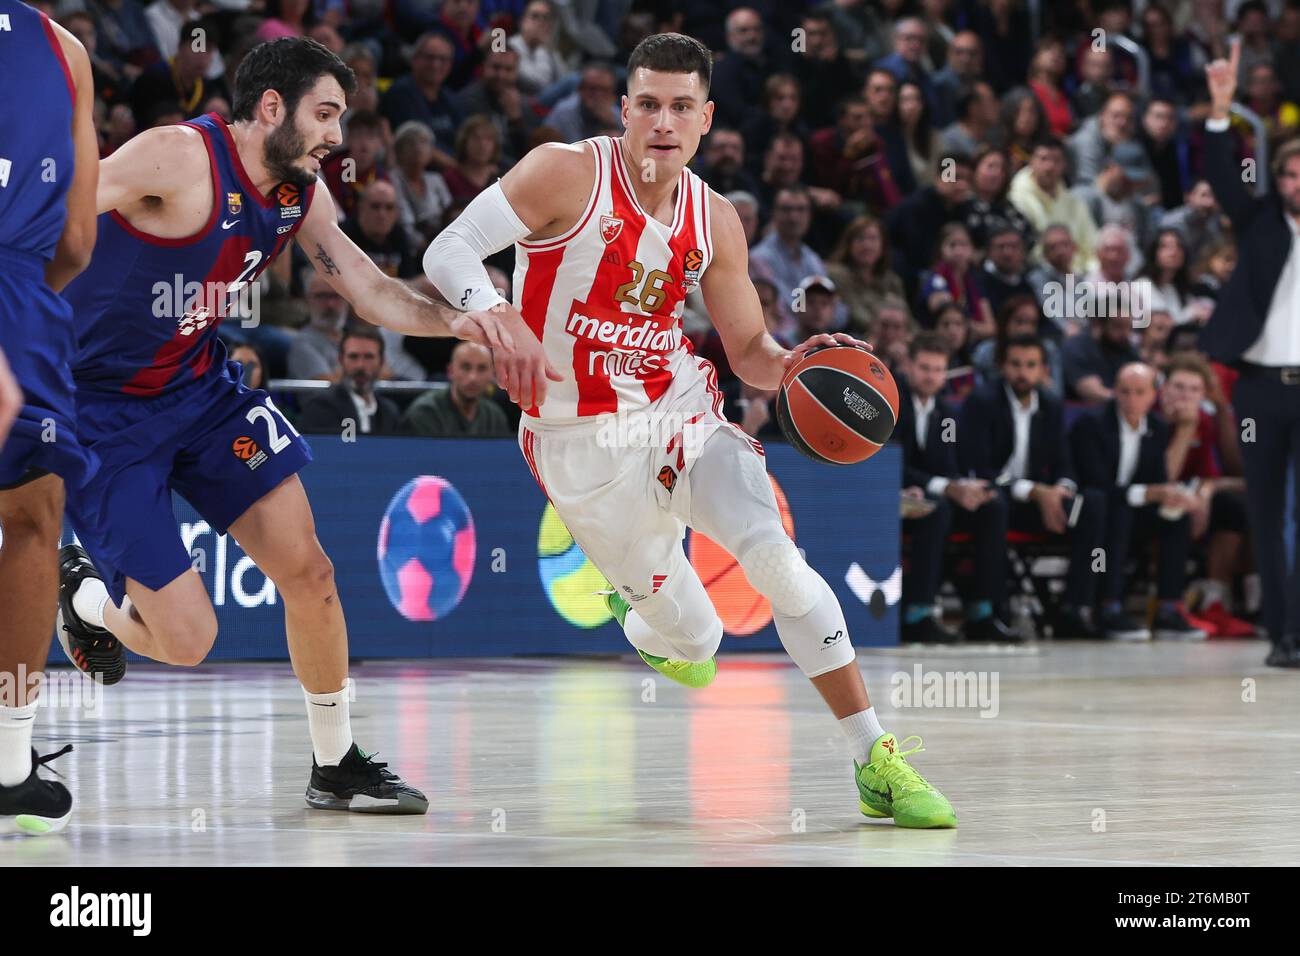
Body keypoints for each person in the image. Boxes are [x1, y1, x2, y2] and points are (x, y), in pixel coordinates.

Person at [423, 32, 957, 828]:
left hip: (677, 408)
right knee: (699, 644)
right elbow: (448, 248)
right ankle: (638, 608)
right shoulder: (564, 172)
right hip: (578, 443)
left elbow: (748, 352)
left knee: (778, 563)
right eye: (647, 104)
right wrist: (494, 312)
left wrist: (801, 365)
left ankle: (873, 757)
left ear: (706, 119)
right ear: (623, 109)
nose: (662, 122)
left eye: (680, 107)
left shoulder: (718, 220)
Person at [54, 37, 555, 814]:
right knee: (188, 641)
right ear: (270, 108)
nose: (336, 136)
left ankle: (335, 764)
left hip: (201, 390)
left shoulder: (299, 195)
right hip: (102, 413)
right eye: (325, 115)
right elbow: (53, 206)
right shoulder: (177, 158)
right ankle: (84, 598)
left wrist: (463, 323)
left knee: (311, 572)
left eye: (342, 119)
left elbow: (371, 290)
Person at [0, 0, 98, 836]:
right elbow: (76, 240)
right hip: (21, 292)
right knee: (33, 517)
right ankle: (6, 759)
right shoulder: (63, 49)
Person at [1199, 37, 1300, 667]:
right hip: (1261, 384)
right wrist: (1221, 110)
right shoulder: (1260, 218)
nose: (1296, 181)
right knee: (1264, 510)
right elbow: (1219, 175)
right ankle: (1283, 633)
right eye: (1289, 172)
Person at [1069, 363, 1206, 641]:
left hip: (1132, 510)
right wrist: (1146, 494)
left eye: (1139, 392)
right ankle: (1109, 607)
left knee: (1176, 515)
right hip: (1093, 512)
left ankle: (1169, 608)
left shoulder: (1157, 427)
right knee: (1119, 511)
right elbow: (1093, 483)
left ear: (1153, 395)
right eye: (1125, 391)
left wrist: (1172, 495)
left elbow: (1159, 478)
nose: (1131, 399)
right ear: (1114, 392)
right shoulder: (1091, 424)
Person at [895, 333, 1012, 644]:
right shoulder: (890, 404)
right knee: (937, 508)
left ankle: (982, 611)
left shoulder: (947, 413)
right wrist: (946, 487)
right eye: (924, 368)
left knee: (992, 506)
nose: (931, 376)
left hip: (932, 494)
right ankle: (916, 613)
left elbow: (947, 466)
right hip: (890, 495)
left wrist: (965, 486)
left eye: (938, 369)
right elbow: (892, 461)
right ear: (908, 366)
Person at [297, 326, 402, 434]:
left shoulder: (389, 412)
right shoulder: (320, 407)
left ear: (381, 361)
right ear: (341, 360)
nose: (360, 365)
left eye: (369, 357)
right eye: (353, 357)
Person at [403, 341, 511, 436]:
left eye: (481, 369)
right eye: (465, 367)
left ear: (492, 374)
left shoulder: (495, 416)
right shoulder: (426, 412)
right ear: (450, 371)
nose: (473, 377)